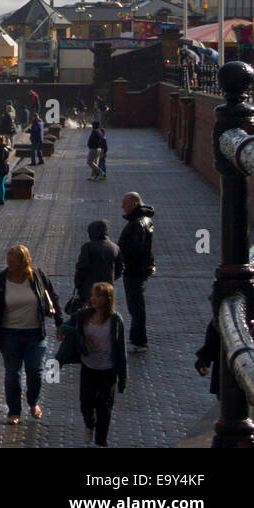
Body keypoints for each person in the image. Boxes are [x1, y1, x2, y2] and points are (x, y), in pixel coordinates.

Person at [0, 244, 62, 424]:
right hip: (9, 334)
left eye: (13, 262)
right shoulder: (0, 279)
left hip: (35, 333)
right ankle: (14, 411)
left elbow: (53, 299)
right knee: (12, 373)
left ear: (23, 262)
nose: (9, 264)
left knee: (35, 371)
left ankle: (33, 402)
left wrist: (60, 324)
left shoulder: (38, 276)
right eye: (8, 261)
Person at [60, 282, 127, 446]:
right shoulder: (83, 315)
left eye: (98, 296)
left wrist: (123, 379)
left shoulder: (116, 320)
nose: (93, 299)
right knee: (86, 405)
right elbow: (64, 326)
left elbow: (121, 350)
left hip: (108, 371)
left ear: (107, 299)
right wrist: (73, 334)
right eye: (93, 295)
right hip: (88, 368)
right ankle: (89, 424)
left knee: (105, 409)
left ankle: (101, 442)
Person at [118, 191, 155, 352]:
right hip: (139, 269)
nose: (122, 206)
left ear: (134, 204)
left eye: (125, 203)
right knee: (136, 305)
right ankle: (138, 339)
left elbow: (134, 249)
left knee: (135, 306)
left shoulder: (137, 224)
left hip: (134, 270)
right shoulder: (144, 220)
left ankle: (139, 340)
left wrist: (122, 262)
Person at [73, 220, 123, 306]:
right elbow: (120, 269)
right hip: (107, 288)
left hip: (89, 289)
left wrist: (78, 284)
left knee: (89, 314)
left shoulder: (88, 247)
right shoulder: (115, 248)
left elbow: (81, 267)